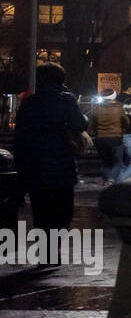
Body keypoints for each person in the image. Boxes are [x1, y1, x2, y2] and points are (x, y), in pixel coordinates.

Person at [8, 63, 88, 235]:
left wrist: (21, 172)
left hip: (35, 168)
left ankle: (45, 248)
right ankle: (53, 246)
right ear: (61, 79)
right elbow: (79, 124)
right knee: (62, 214)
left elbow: (20, 139)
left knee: (41, 214)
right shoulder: (66, 98)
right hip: (61, 168)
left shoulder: (29, 103)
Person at [90, 89, 130, 185]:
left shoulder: (96, 109)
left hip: (100, 139)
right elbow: (127, 122)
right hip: (115, 138)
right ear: (114, 97)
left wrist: (96, 132)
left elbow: (93, 125)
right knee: (118, 163)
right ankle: (111, 180)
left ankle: (106, 180)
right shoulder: (119, 108)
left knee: (105, 162)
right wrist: (123, 129)